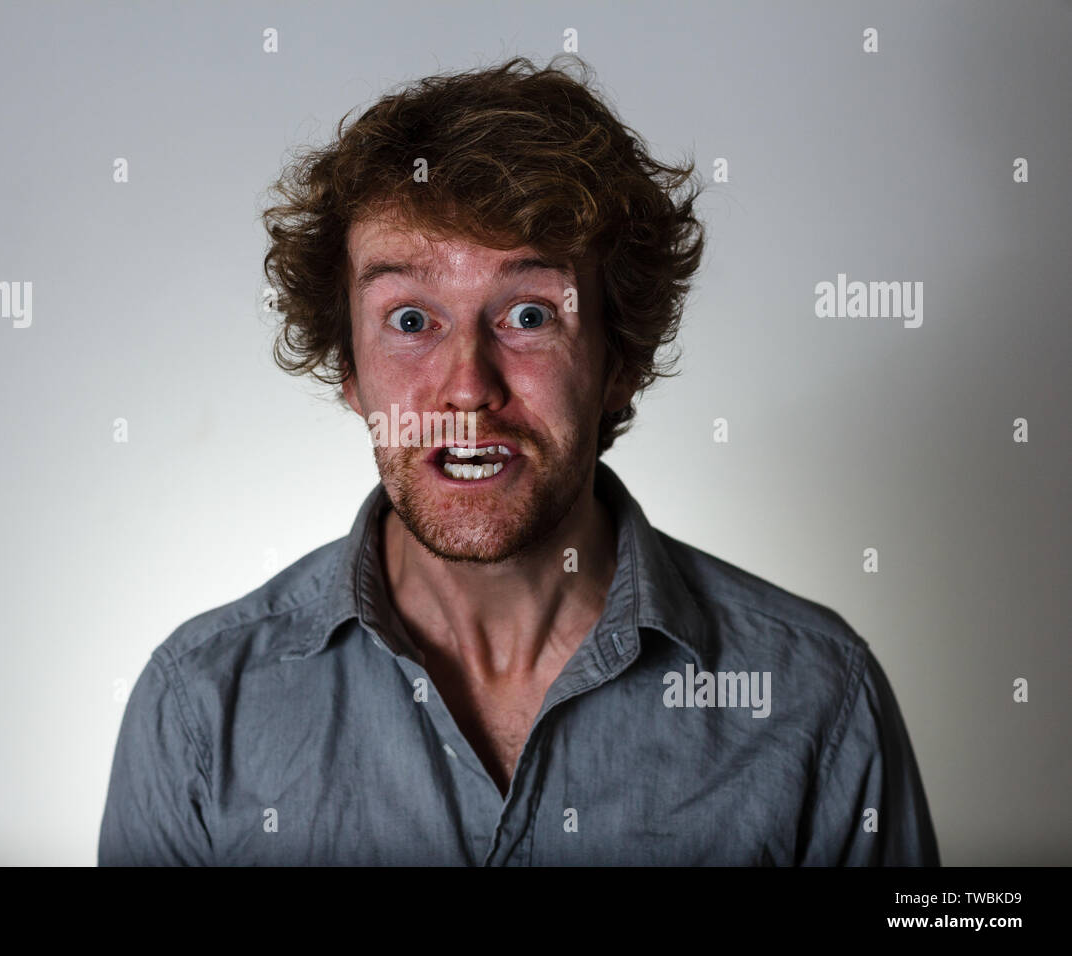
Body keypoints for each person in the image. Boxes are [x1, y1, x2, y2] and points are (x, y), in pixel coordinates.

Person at [98, 54, 939, 866]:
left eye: (530, 315)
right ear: (348, 369)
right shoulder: (200, 710)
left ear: (619, 360)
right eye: (411, 320)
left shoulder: (815, 698)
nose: (467, 388)